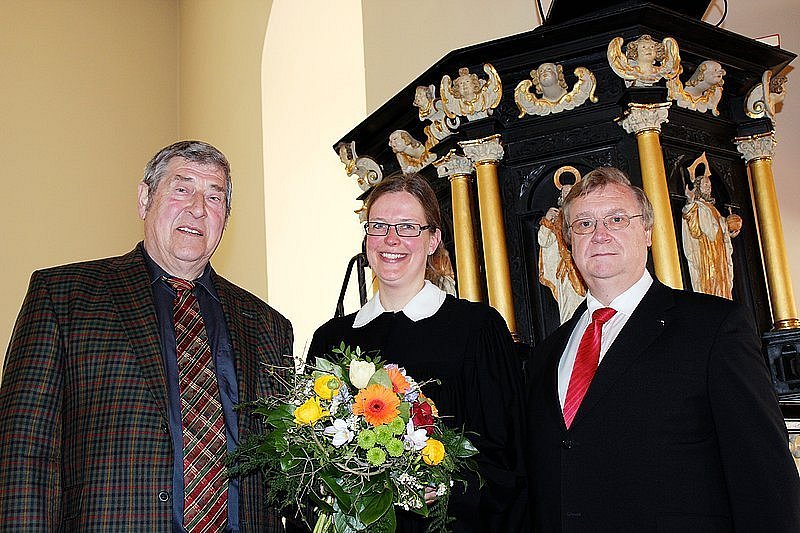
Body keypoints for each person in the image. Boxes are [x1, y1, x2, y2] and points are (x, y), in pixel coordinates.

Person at [0, 140, 293, 531]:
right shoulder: (63, 296)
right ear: (144, 199)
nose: (197, 208)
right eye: (182, 188)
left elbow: (286, 470)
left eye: (214, 196)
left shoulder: (267, 324)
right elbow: (23, 453)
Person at [527, 166, 800, 531]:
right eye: (584, 224)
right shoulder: (546, 354)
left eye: (617, 219)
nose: (600, 235)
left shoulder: (713, 327)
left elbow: (763, 471)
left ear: (648, 232)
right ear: (568, 242)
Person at [308, 173, 529, 532]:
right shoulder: (330, 339)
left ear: (433, 240)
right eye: (378, 226)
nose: (391, 239)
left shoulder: (477, 328)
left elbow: (505, 456)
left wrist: (444, 486)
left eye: (408, 226)